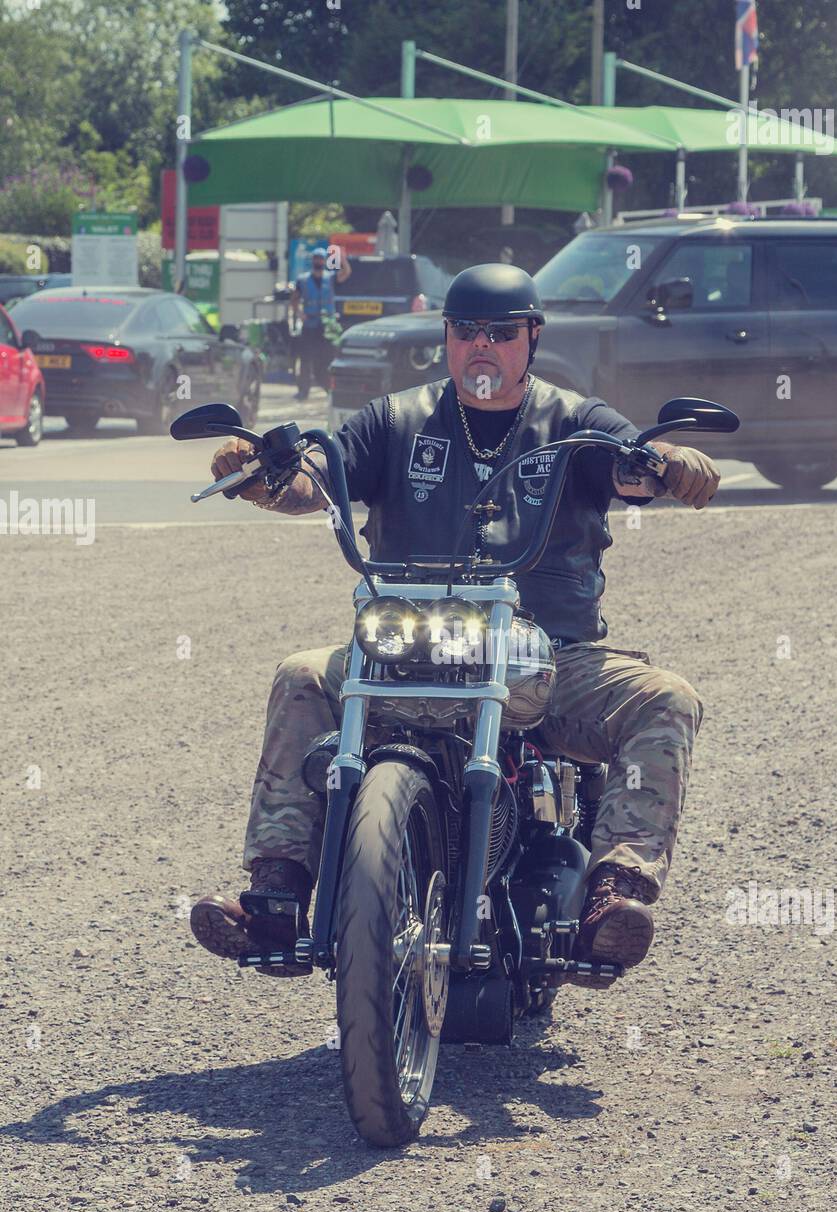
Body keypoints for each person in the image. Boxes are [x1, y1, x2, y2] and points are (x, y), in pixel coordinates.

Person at [191, 263, 720, 987]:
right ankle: (277, 895)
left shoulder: (574, 421)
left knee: (666, 696)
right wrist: (268, 476)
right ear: (444, 337)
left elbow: (636, 468)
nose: (482, 345)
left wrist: (669, 465)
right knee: (301, 674)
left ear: (530, 338)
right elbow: (319, 481)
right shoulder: (394, 418)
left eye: (501, 332)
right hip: (407, 652)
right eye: (465, 329)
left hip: (544, 656)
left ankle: (614, 892)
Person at [290, 245, 351, 400]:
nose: (318, 261)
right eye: (316, 258)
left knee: (327, 359)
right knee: (305, 359)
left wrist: (342, 258)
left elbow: (346, 273)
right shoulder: (303, 280)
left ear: (324, 260)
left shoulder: (330, 278)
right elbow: (295, 299)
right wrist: (299, 313)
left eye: (321, 258)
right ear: (312, 260)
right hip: (310, 323)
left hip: (327, 325)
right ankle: (303, 391)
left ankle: (329, 389)